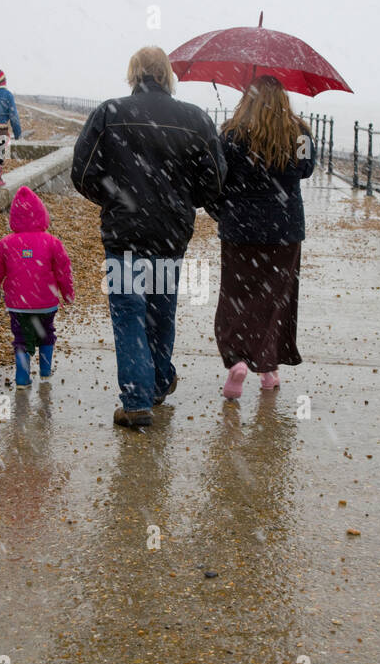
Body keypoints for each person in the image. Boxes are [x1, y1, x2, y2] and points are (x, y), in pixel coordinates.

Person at [71, 45, 226, 428]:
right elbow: (216, 179)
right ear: (167, 75)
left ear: (134, 73)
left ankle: (138, 399)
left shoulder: (110, 113)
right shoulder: (195, 119)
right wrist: (186, 200)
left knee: (128, 314)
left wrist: (113, 200)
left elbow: (82, 170)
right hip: (170, 235)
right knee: (160, 311)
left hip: (125, 236)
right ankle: (156, 384)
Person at [205, 75, 314, 399]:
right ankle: (267, 370)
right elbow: (306, 168)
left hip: (240, 230)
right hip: (284, 231)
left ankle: (237, 360)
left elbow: (215, 177)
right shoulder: (299, 132)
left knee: (236, 297)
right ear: (283, 99)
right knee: (275, 301)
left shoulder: (230, 133)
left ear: (247, 98)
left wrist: (222, 212)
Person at [0, 186, 75, 387]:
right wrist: (67, 293)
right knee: (46, 333)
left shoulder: (6, 243)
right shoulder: (52, 242)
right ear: (42, 215)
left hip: (18, 305)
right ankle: (45, 371)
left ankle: (22, 378)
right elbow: (63, 271)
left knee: (21, 339)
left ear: (14, 217)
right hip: (46, 303)